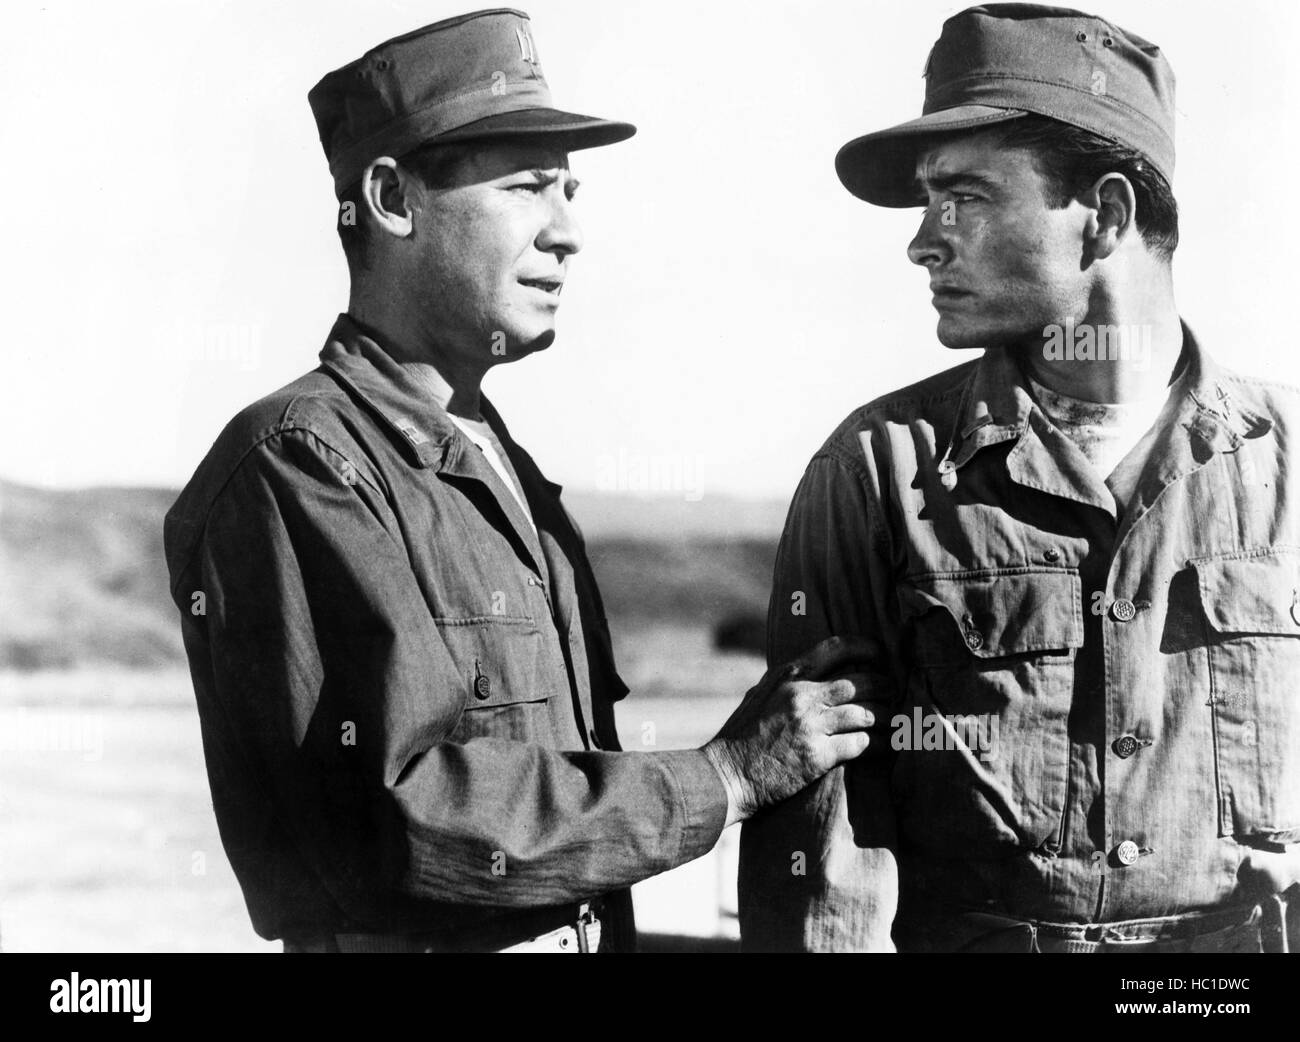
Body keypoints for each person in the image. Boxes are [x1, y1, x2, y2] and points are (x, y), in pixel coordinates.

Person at [164, 9, 878, 954]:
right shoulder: (300, 465)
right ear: (390, 197)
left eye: (571, 191)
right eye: (530, 186)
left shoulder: (505, 469)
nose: (568, 233)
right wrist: (723, 778)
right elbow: (401, 823)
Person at [738, 2, 1300, 952]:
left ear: (1107, 218)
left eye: (966, 197)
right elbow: (825, 867)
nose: (924, 240)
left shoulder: (1287, 461)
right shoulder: (879, 470)